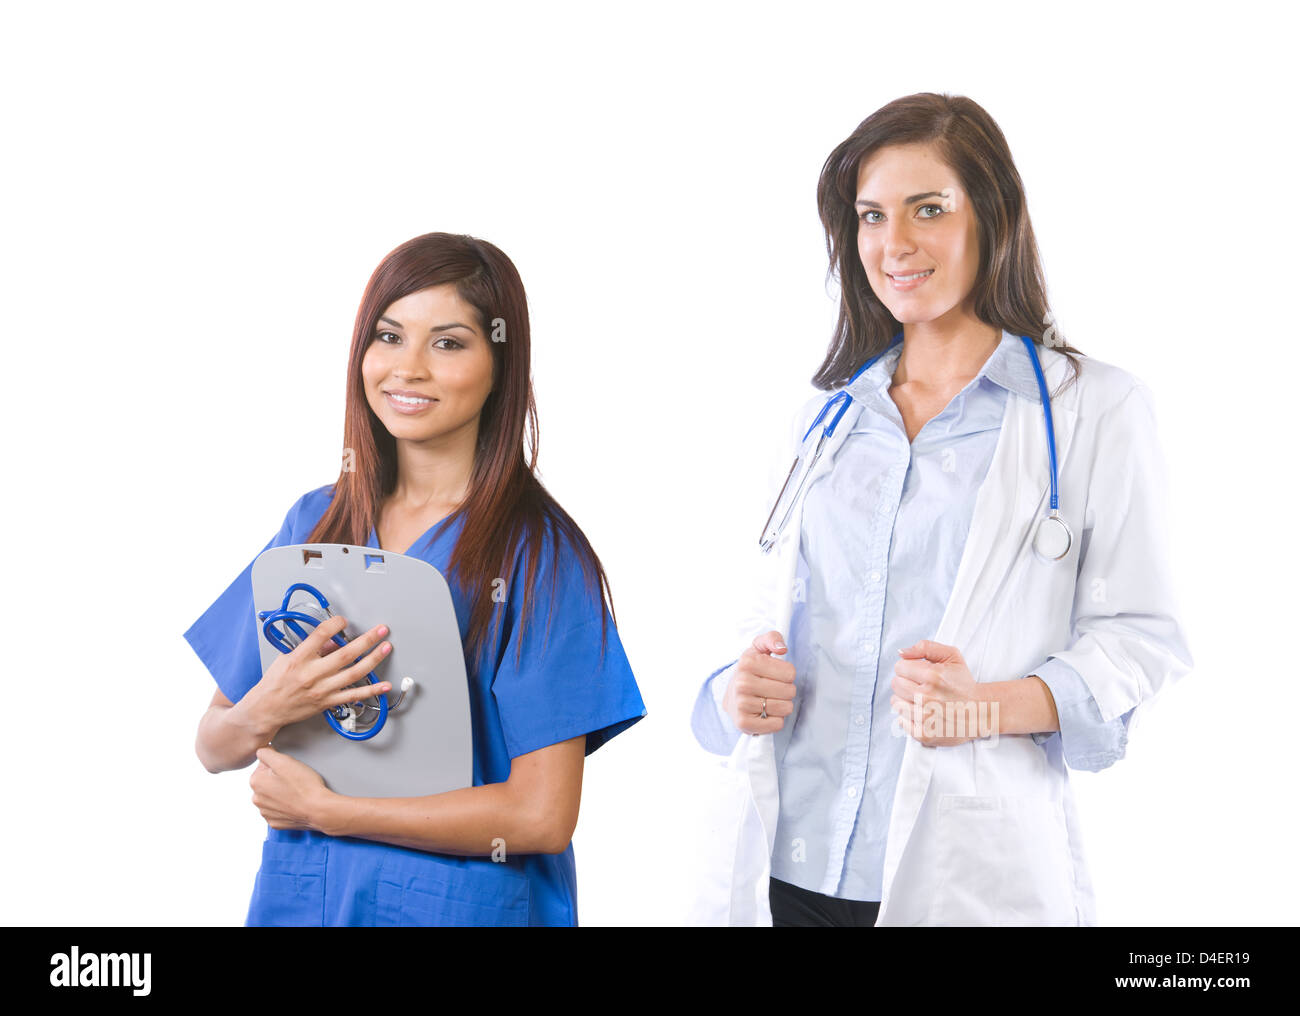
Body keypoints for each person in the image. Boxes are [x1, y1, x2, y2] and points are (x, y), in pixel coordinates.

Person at [690, 93, 1192, 926]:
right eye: (872, 216)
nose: (896, 245)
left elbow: (1142, 638)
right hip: (790, 866)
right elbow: (765, 613)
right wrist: (731, 691)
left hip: (960, 874)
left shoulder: (1093, 410)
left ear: (990, 216)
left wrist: (985, 704)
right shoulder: (826, 420)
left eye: (930, 209)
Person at [184, 232, 646, 926]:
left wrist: (331, 813)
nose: (409, 369)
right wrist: (268, 706)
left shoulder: (537, 554)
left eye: (450, 343)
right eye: (389, 336)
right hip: (306, 898)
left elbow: (541, 815)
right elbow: (214, 744)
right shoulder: (316, 525)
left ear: (501, 364)